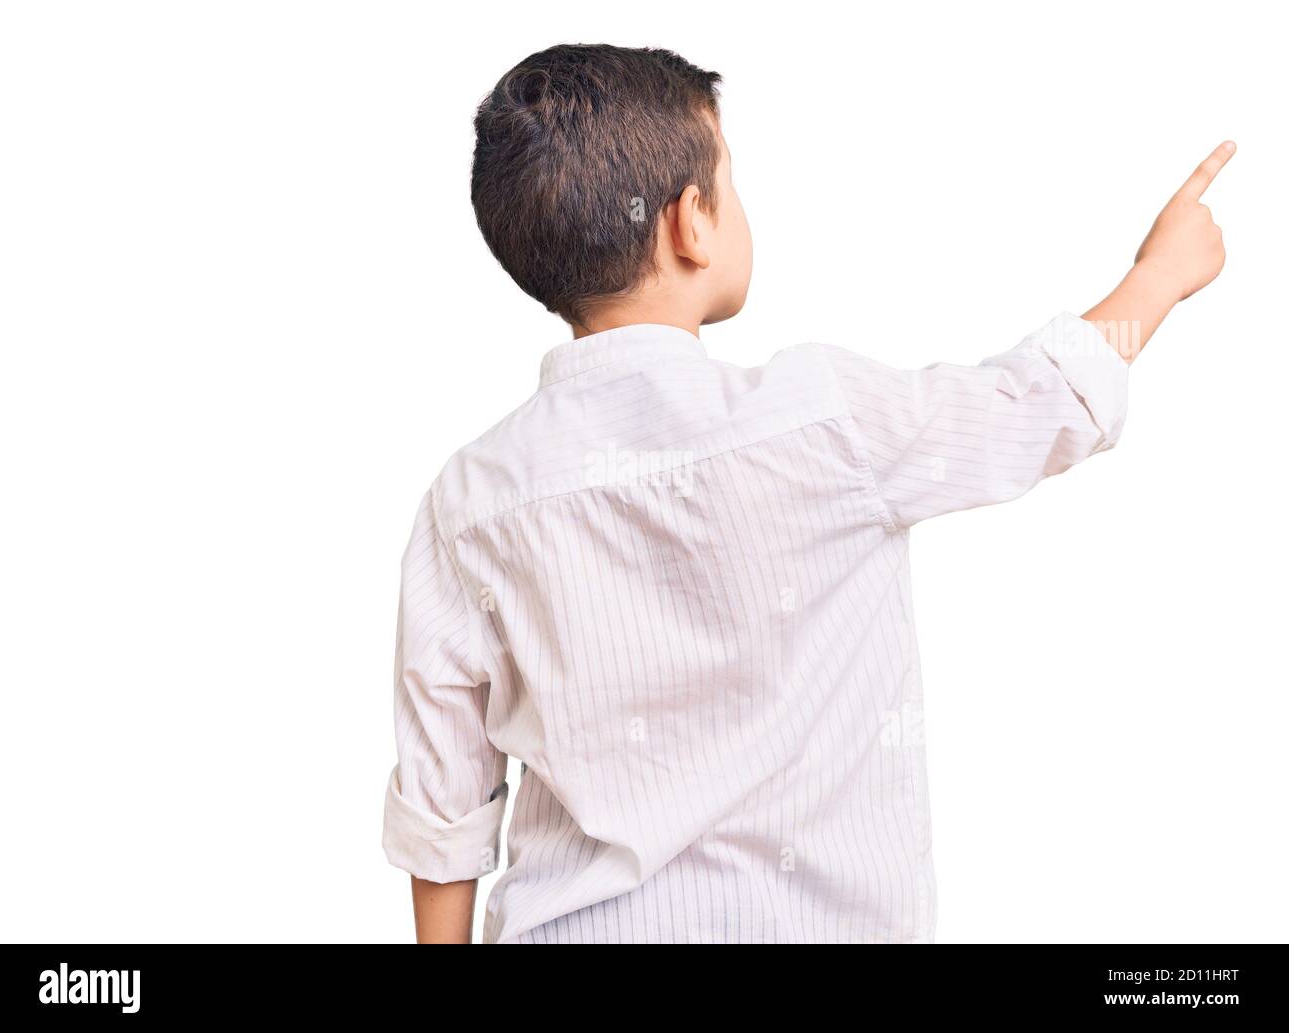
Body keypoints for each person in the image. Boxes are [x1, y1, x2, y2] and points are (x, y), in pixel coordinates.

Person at [383, 43, 1233, 943]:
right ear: (691, 224)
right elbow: (1037, 403)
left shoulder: (471, 501)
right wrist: (1159, 276)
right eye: (729, 181)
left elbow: (446, 804)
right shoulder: (827, 422)